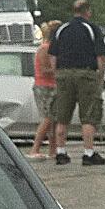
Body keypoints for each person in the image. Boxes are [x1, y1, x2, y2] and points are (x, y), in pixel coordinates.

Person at [48, 0, 105, 166]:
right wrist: (100, 77)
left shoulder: (61, 29)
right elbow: (100, 57)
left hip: (63, 74)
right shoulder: (91, 29)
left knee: (62, 116)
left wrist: (57, 74)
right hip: (85, 74)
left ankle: (61, 152)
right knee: (88, 116)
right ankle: (88, 153)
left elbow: (52, 55)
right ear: (87, 11)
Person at [25, 20, 62, 160]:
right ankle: (35, 148)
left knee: (54, 120)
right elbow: (44, 70)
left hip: (52, 86)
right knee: (48, 118)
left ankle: (53, 150)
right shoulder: (45, 48)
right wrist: (57, 69)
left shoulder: (51, 48)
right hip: (44, 86)